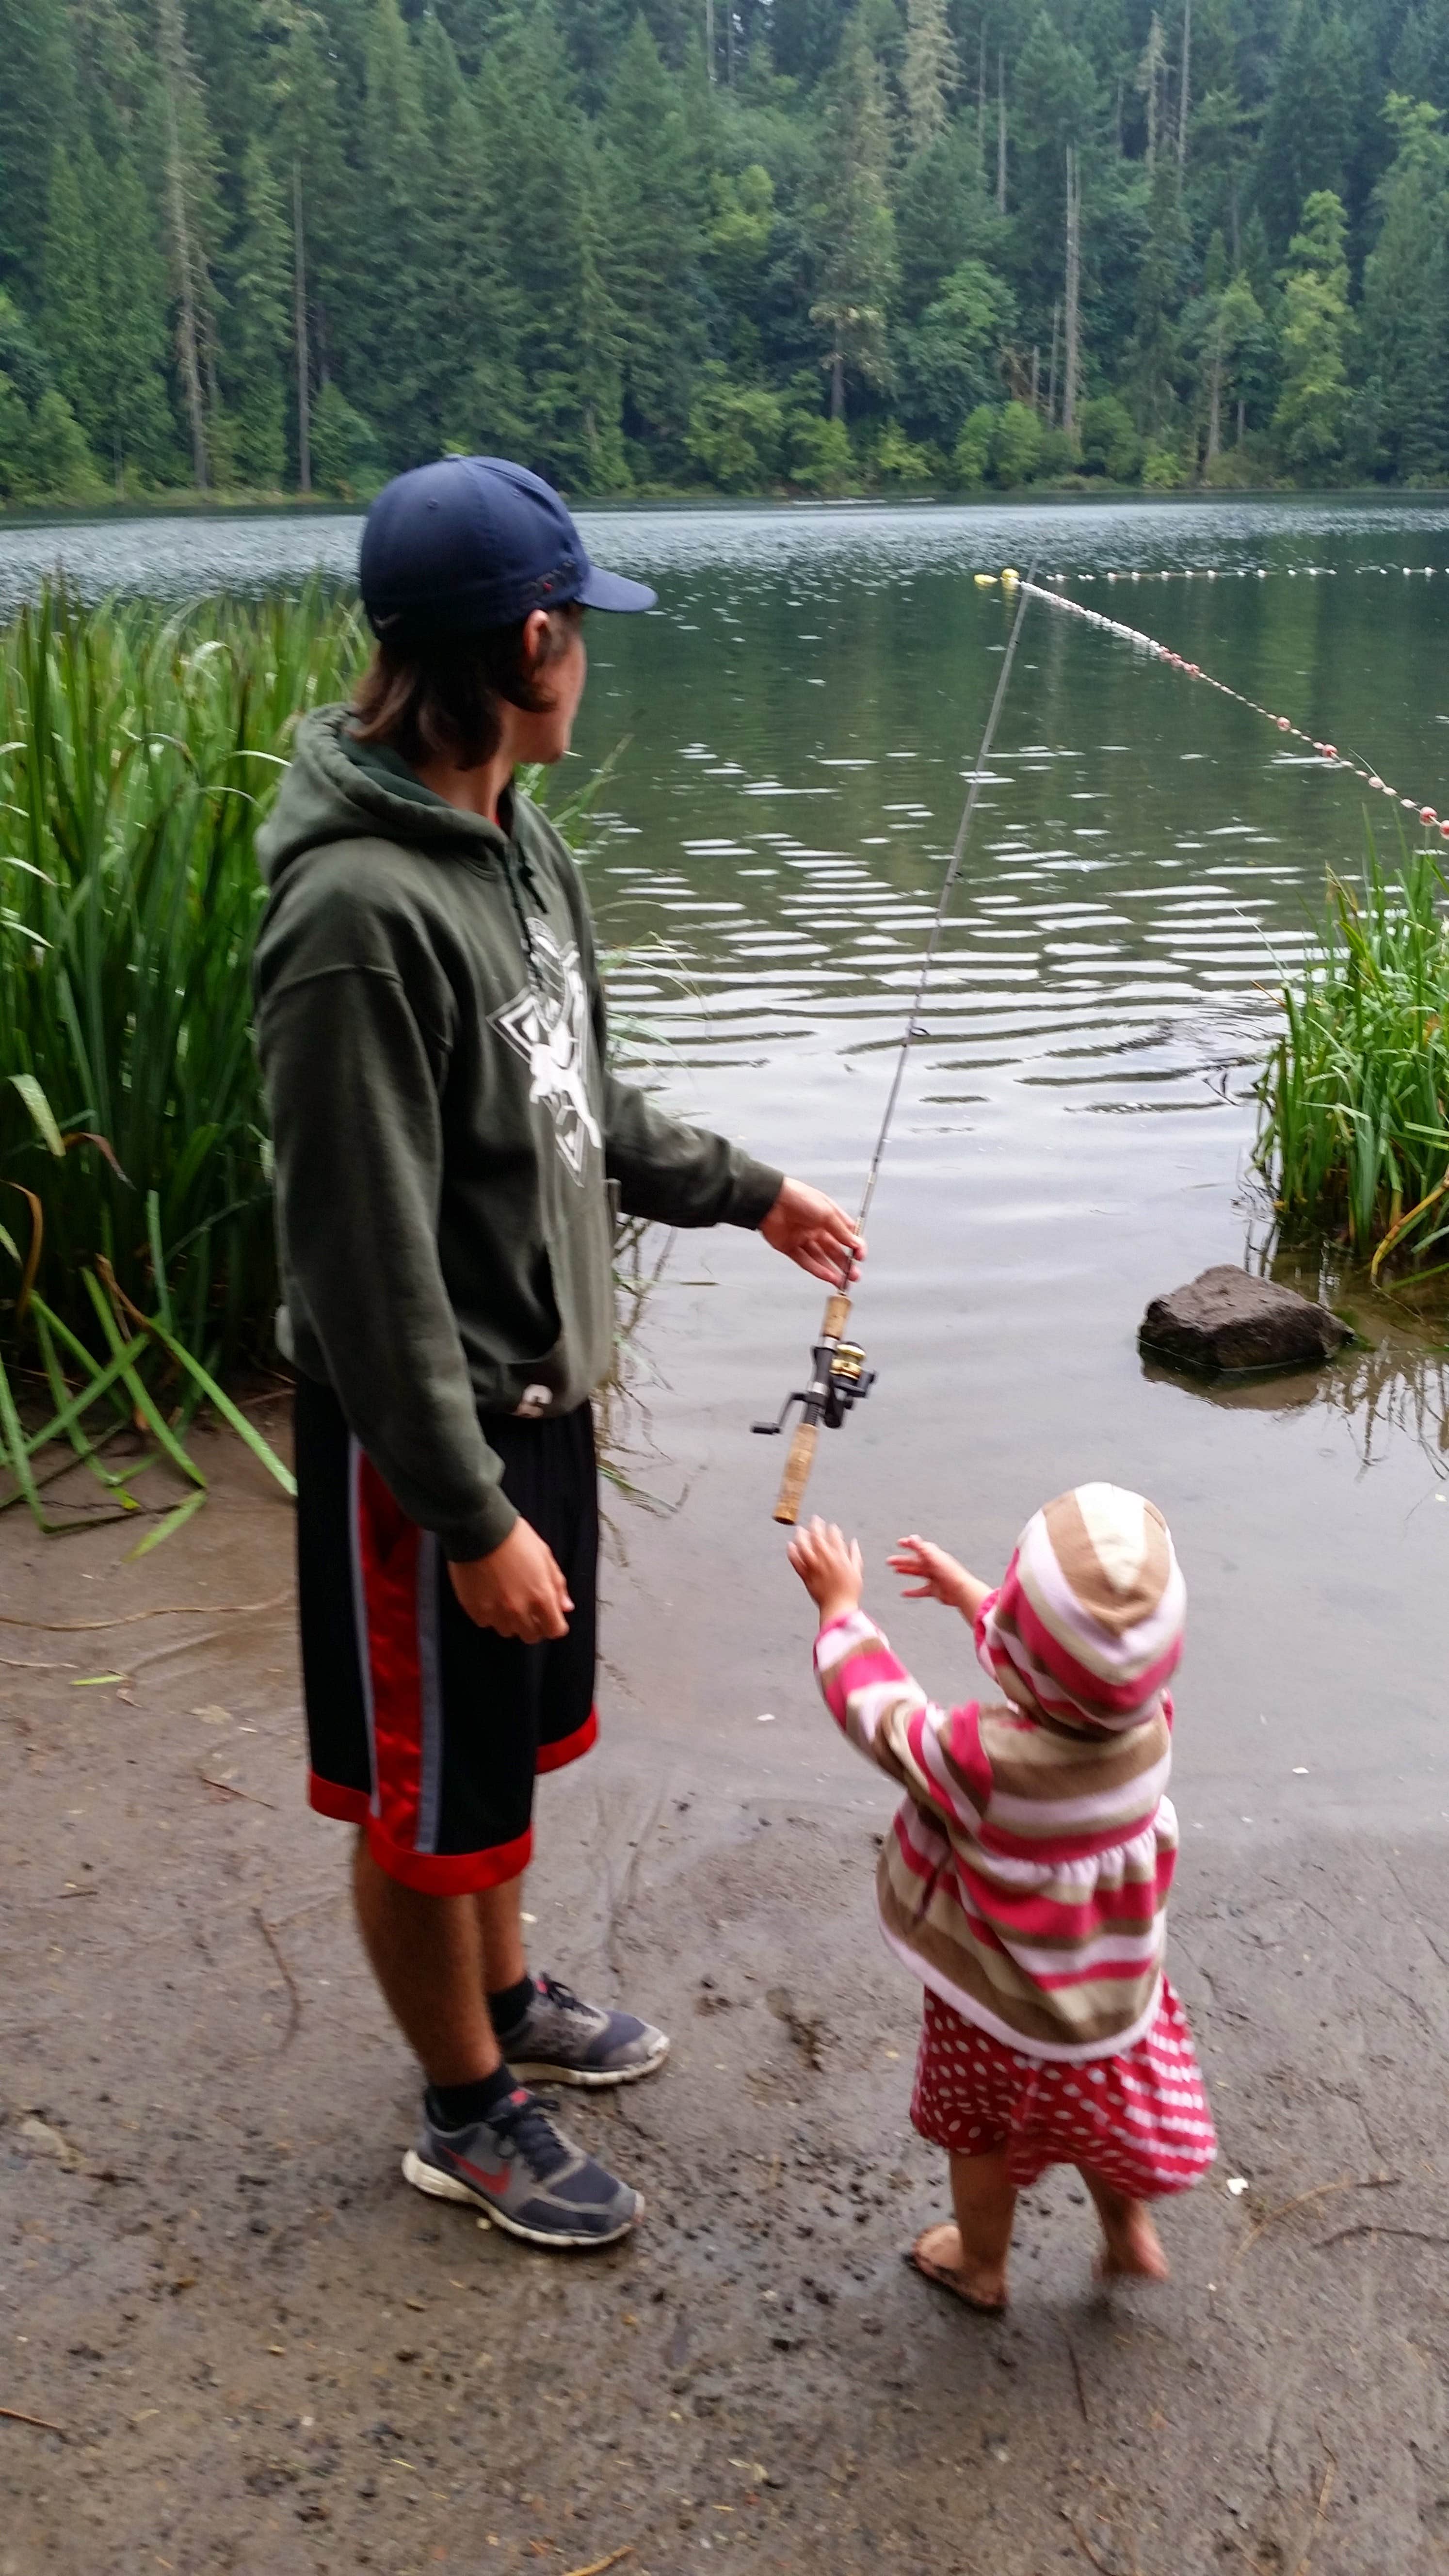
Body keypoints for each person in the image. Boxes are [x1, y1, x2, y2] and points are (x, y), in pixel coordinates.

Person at [253, 455, 861, 2252]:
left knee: (494, 1764)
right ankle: (463, 2112)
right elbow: (357, 1272)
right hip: (427, 1448)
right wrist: (461, 1512)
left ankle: (503, 2009)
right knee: (414, 1795)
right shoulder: (359, 922)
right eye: (579, 632)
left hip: (532, 1414)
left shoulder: (514, 837)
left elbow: (574, 1106)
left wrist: (747, 1194)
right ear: (529, 642)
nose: (588, 662)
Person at [787, 1485, 1215, 2309]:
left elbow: (882, 1716)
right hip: (1110, 2007)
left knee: (979, 2140)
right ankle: (1128, 2235)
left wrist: (842, 1612)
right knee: (1098, 2124)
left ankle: (980, 2265)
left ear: (1020, 1647)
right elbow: (1074, 1675)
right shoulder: (1152, 1725)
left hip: (999, 2014)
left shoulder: (982, 1765)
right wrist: (970, 1598)